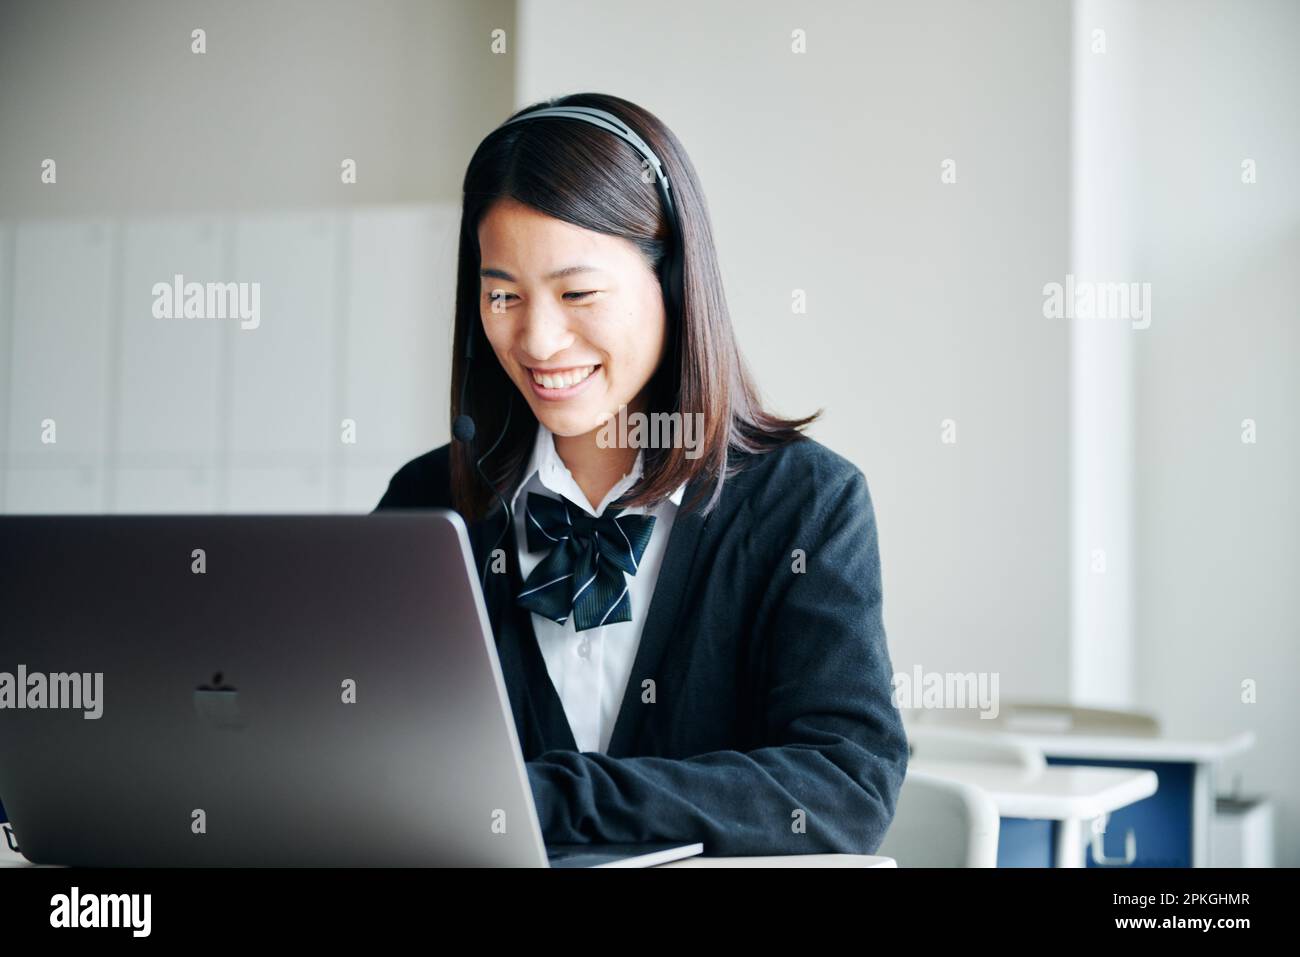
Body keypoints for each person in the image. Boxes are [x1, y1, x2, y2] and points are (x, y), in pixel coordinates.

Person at [375, 92, 907, 856]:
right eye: (503, 295)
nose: (538, 338)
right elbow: (360, 752)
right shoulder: (430, 505)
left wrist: (555, 798)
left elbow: (844, 787)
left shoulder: (807, 505)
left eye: (578, 292)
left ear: (675, 281)